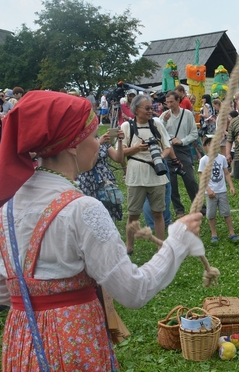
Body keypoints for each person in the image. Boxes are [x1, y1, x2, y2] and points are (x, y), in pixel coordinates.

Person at [0, 91, 203, 372]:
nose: (96, 142)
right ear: (71, 145)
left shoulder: (6, 208)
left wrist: (39, 297)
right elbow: (134, 291)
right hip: (75, 343)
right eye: (90, 133)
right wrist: (177, 240)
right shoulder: (83, 209)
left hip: (23, 344)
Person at [120, 94, 172, 253]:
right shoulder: (126, 127)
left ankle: (160, 246)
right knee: (133, 214)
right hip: (136, 176)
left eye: (152, 108)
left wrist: (159, 157)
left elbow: (167, 147)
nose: (151, 111)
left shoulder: (156, 124)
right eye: (147, 108)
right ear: (136, 110)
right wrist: (136, 149)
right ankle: (129, 246)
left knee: (158, 213)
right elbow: (120, 152)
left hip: (157, 174)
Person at [159, 91, 199, 218]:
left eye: (172, 102)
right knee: (172, 182)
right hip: (168, 148)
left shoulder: (187, 114)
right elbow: (159, 132)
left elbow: (194, 133)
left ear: (178, 101)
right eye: (167, 102)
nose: (169, 104)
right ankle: (178, 209)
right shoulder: (163, 116)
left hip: (182, 148)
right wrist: (164, 122)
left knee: (190, 179)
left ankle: (198, 206)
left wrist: (182, 141)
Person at [76, 129, 126, 221]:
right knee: (93, 215)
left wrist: (119, 141)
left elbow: (118, 158)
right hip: (89, 182)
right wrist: (98, 143)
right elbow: (88, 163)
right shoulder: (79, 142)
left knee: (109, 212)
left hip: (106, 182)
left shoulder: (101, 139)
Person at [198, 135, 238, 244]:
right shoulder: (204, 160)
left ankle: (231, 232)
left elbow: (226, 173)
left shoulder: (222, 158)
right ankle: (213, 233)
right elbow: (202, 176)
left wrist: (231, 186)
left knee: (226, 212)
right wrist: (208, 189)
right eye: (210, 144)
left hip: (222, 190)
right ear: (206, 146)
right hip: (211, 192)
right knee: (211, 214)